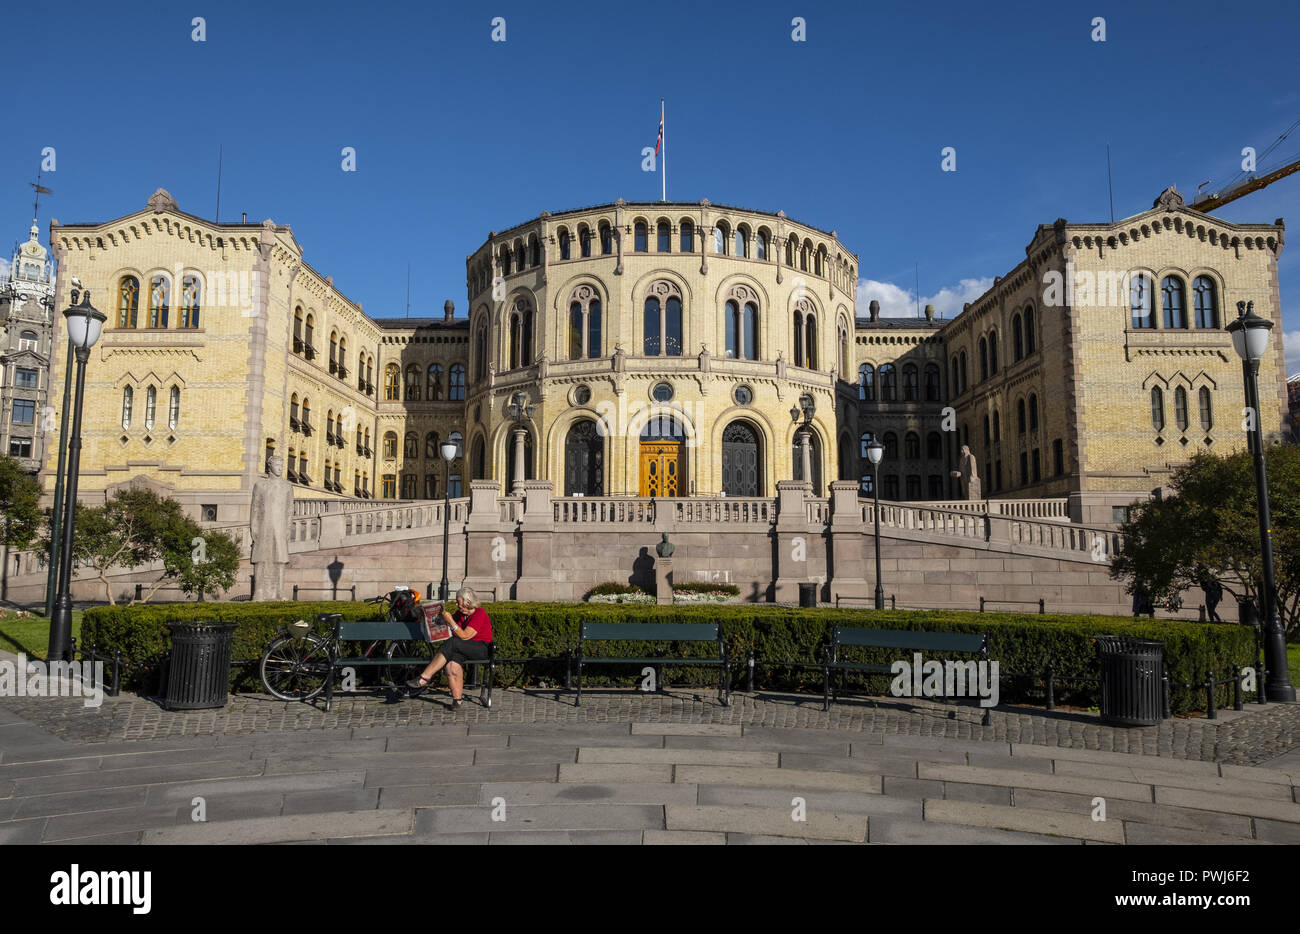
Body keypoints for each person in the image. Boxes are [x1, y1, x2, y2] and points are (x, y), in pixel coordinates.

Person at [406, 586, 492, 708]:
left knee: (453, 642)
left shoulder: (479, 613)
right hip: (464, 648)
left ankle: (424, 677)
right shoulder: (460, 614)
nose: (457, 604)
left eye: (458, 601)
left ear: (468, 601)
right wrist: (431, 615)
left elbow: (465, 636)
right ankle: (457, 701)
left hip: (481, 648)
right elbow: (447, 624)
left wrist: (450, 621)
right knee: (451, 664)